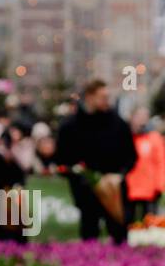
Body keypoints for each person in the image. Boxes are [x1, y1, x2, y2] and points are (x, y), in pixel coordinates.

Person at [54, 79, 137, 244]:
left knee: (119, 234)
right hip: (86, 191)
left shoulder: (118, 124)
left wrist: (119, 176)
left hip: (113, 192)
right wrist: (79, 176)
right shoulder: (70, 126)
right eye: (103, 97)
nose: (107, 101)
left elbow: (131, 155)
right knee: (89, 233)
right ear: (90, 97)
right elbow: (61, 160)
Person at [125, 108, 165, 227]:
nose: (142, 120)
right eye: (139, 116)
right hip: (129, 188)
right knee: (128, 224)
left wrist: (160, 185)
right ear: (132, 118)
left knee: (151, 224)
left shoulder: (154, 138)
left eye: (145, 117)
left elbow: (162, 163)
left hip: (150, 190)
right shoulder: (126, 137)